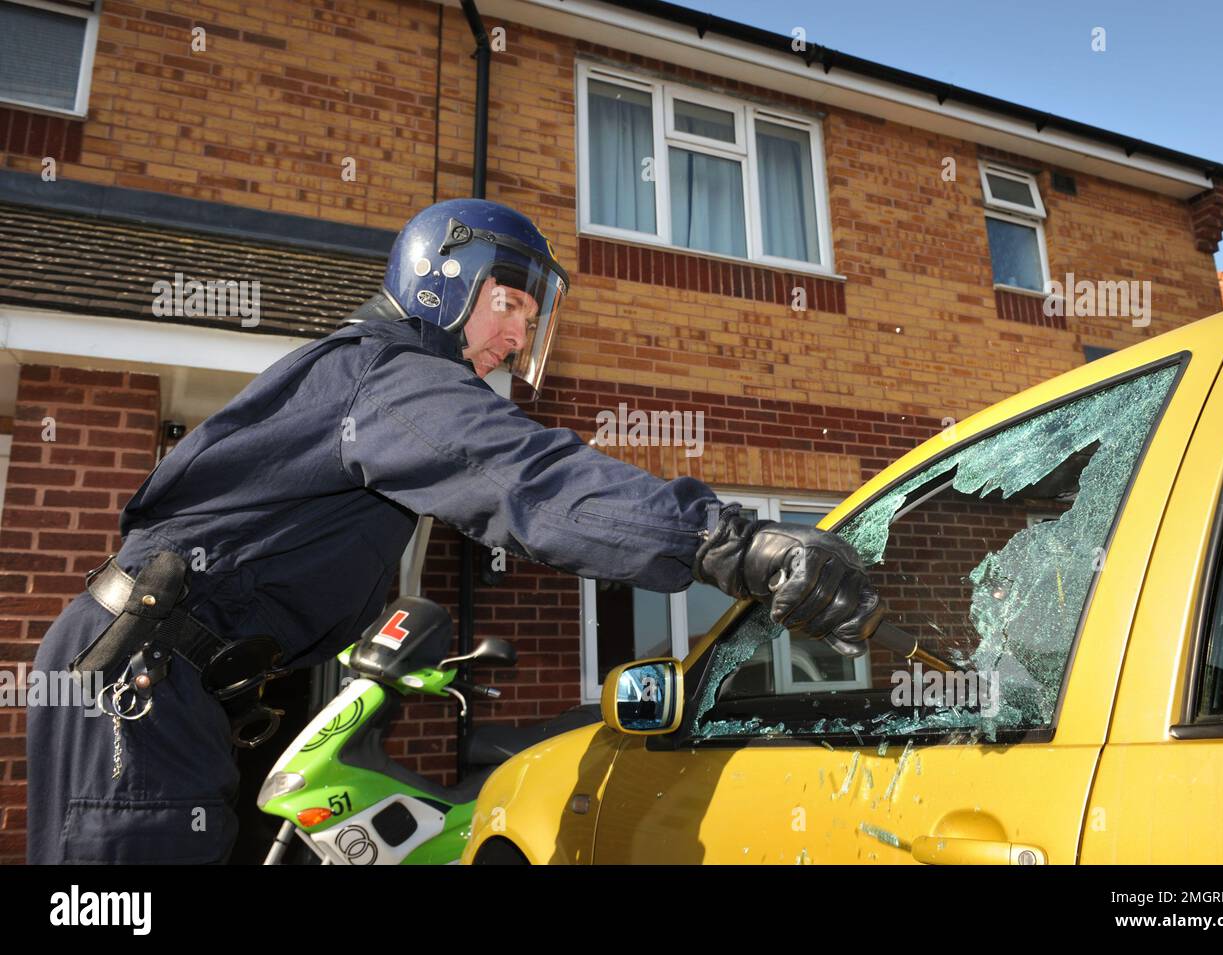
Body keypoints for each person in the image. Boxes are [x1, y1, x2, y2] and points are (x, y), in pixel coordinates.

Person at [25, 198, 883, 864]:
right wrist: (738, 544)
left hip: (168, 676)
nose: (517, 336)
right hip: (139, 675)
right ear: (442, 279)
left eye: (529, 318)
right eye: (507, 303)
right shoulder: (389, 377)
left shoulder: (373, 386)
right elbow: (533, 482)